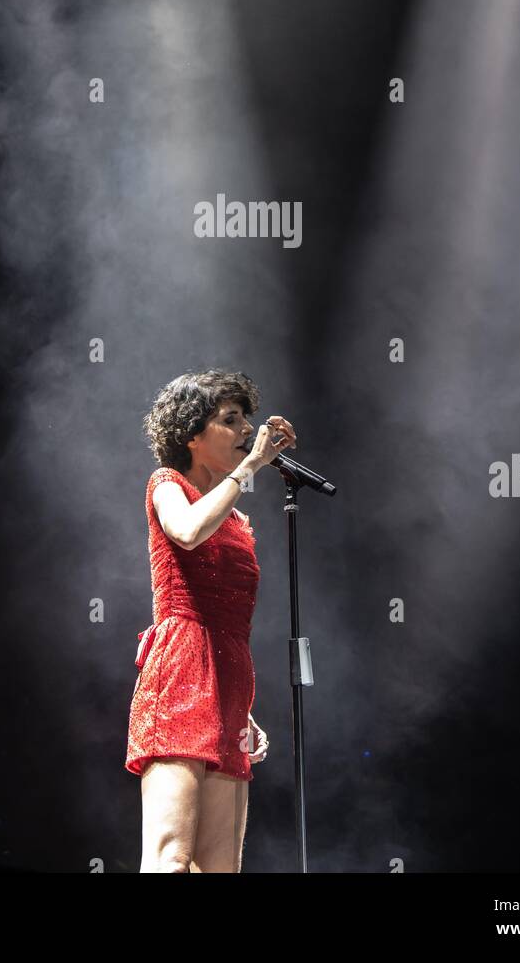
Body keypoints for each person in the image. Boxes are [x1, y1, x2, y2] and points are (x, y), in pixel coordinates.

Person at [125, 368, 297, 872]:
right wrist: (252, 470)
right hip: (180, 669)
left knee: (219, 868)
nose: (247, 430)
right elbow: (188, 531)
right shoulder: (167, 484)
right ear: (192, 436)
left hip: (228, 680)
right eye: (231, 419)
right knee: (171, 859)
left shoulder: (241, 521)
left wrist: (239, 709)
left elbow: (228, 622)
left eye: (246, 418)